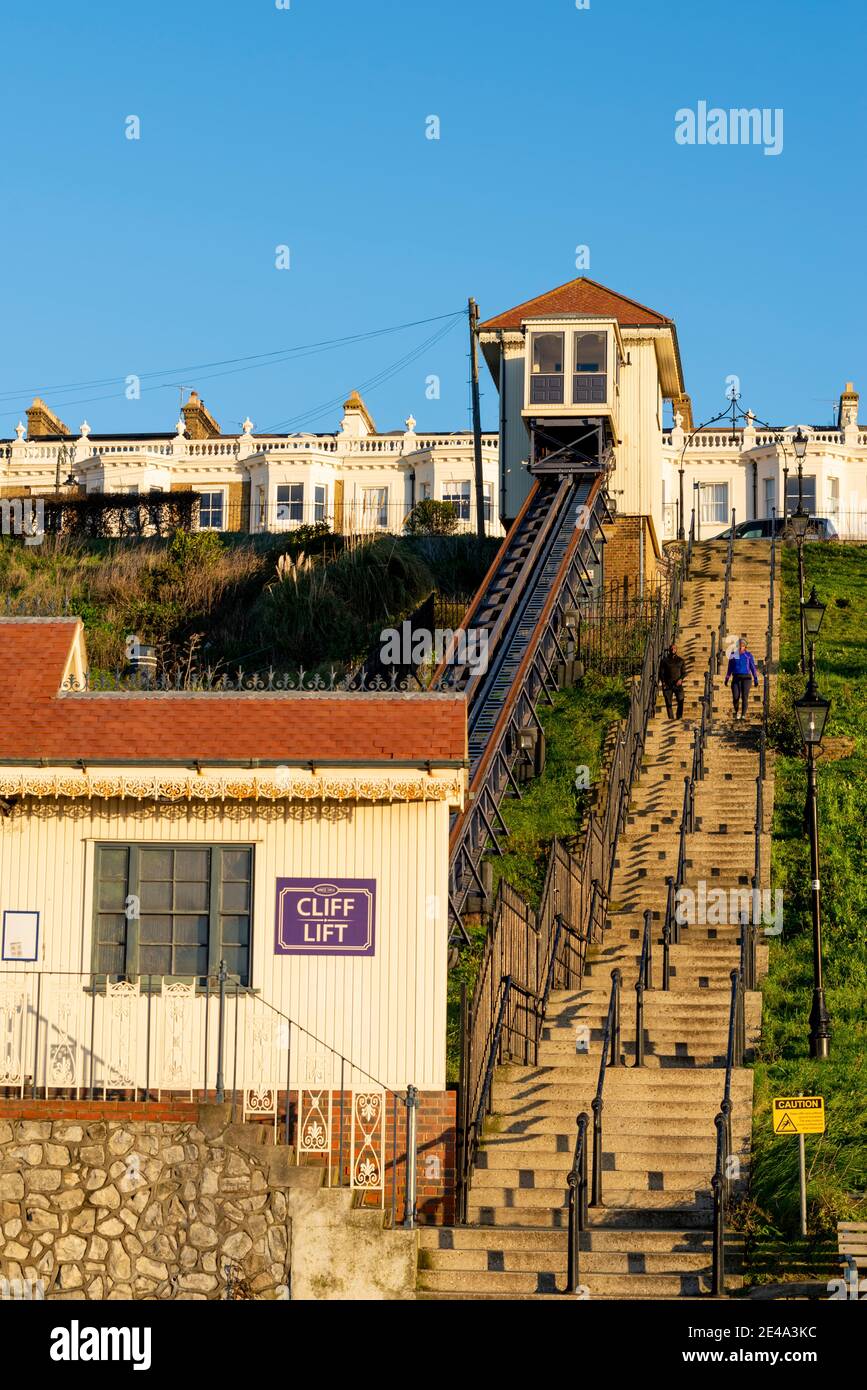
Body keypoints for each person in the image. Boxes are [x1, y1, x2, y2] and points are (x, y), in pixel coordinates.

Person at [725, 638, 759, 720]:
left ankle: (743, 715)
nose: (741, 647)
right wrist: (727, 678)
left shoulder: (748, 655)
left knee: (744, 696)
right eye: (739, 646)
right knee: (735, 697)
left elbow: (752, 667)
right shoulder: (733, 655)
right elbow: (730, 668)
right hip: (736, 678)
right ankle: (737, 712)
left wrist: (755, 678)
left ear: (745, 647)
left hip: (746, 678)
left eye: (743, 646)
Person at [658, 641, 686, 719]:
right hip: (667, 684)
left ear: (676, 649)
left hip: (678, 684)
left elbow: (684, 673)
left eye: (674, 648)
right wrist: (663, 682)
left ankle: (679, 716)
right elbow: (661, 673)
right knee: (668, 703)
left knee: (681, 700)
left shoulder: (681, 660)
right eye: (671, 648)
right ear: (669, 649)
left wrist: (681, 679)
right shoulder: (664, 660)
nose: (673, 649)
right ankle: (671, 718)